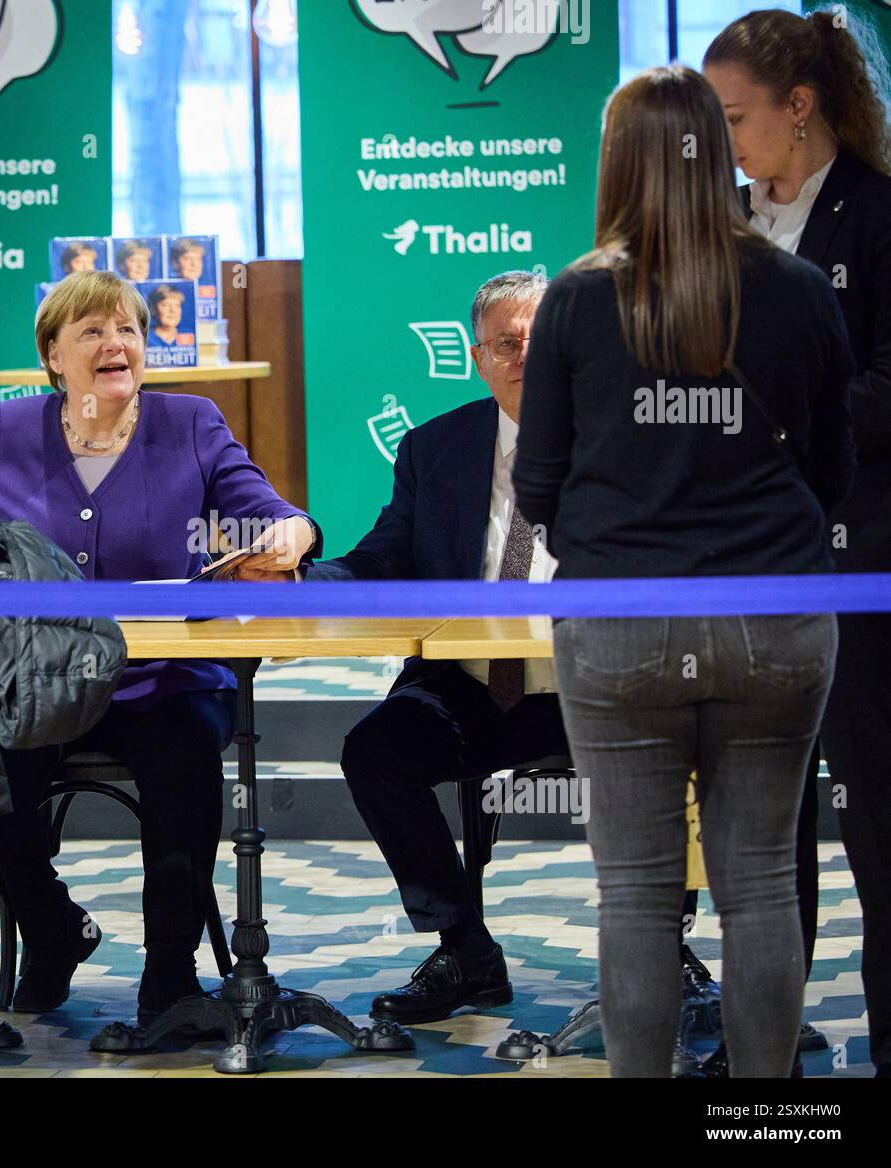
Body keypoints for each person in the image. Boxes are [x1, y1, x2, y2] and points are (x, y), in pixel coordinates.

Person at [514, 66, 855, 1078]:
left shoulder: (574, 300)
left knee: (634, 891)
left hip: (619, 623)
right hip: (779, 617)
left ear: (617, 163)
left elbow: (536, 485)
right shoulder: (796, 289)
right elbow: (831, 472)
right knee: (759, 884)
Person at [0, 270, 318, 1025]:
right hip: (47, 682)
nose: (114, 343)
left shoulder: (190, 423)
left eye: (127, 328)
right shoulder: (11, 430)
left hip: (169, 679)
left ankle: (171, 980)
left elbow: (267, 512)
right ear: (52, 356)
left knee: (183, 760)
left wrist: (292, 533)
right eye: (91, 331)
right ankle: (54, 929)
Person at [704, 7, 891, 1081]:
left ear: (800, 106)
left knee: (873, 828)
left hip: (856, 559)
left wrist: (773, 429)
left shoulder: (876, 217)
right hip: (735, 567)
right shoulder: (721, 225)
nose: (724, 144)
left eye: (735, 119)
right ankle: (759, 1062)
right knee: (758, 843)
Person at [306, 270, 571, 1023]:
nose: (522, 355)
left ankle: (669, 952)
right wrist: (300, 581)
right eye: (504, 343)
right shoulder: (437, 447)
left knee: (670, 744)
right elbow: (385, 556)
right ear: (478, 357)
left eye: (537, 340)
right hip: (470, 684)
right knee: (376, 749)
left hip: (591, 686)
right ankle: (464, 947)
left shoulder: (616, 443)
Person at [147, 283, 191, 348]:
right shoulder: (145, 338)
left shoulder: (190, 335)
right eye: (166, 305)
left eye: (177, 305)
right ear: (154, 309)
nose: (173, 311)